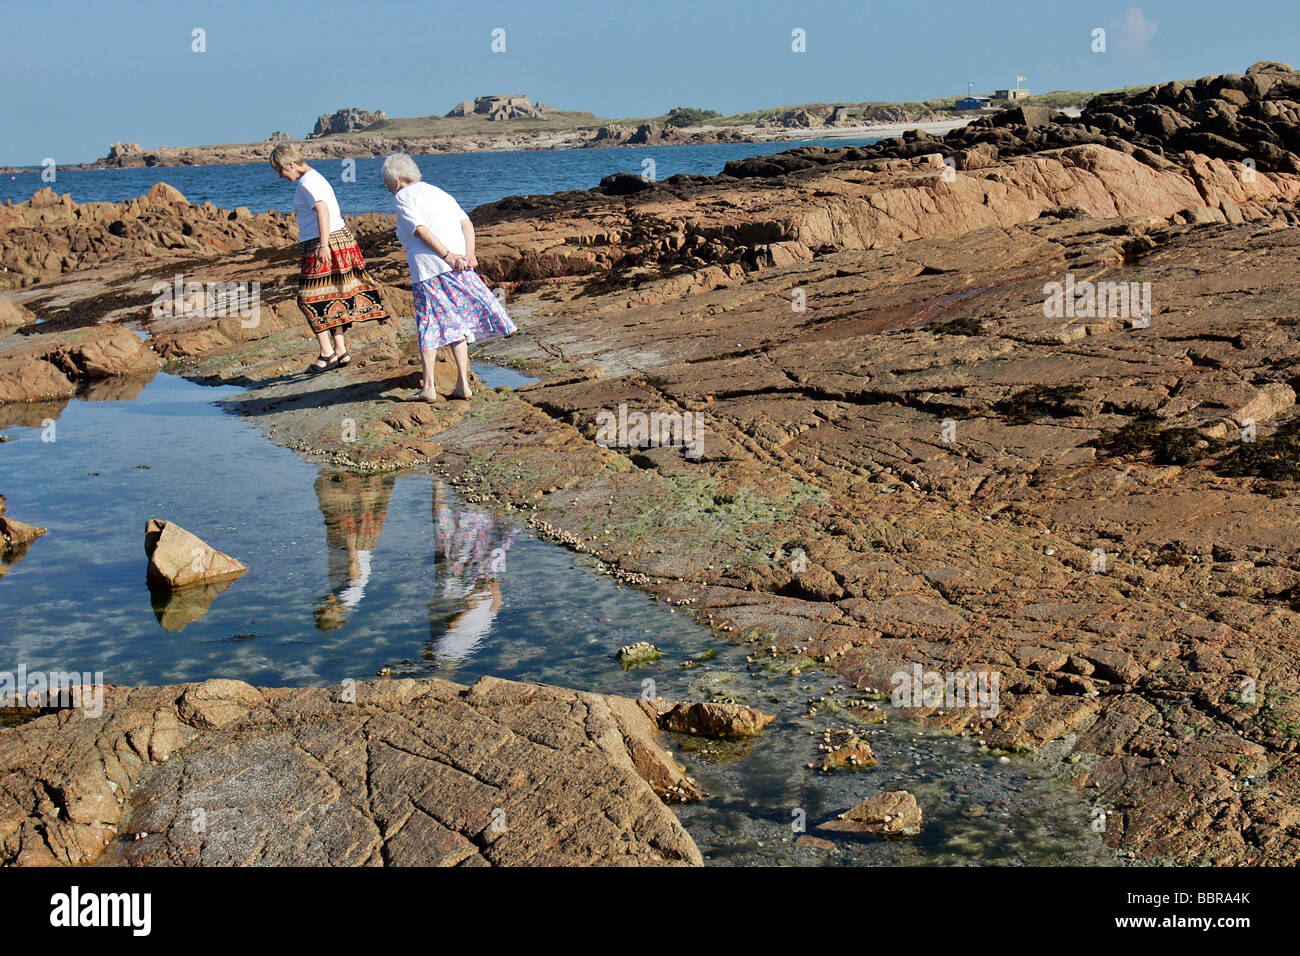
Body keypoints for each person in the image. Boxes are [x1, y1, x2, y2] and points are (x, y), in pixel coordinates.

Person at [381, 153, 516, 402]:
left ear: (396, 179)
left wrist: (448, 255)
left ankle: (429, 386)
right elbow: (466, 223)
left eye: (386, 182)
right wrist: (468, 253)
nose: (387, 188)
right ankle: (463, 384)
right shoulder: (437, 191)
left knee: (430, 323)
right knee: (457, 323)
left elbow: (420, 230)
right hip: (459, 265)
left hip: (430, 267)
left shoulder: (402, 196)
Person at [269, 144, 388, 373]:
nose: (280, 175)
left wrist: (323, 244)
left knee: (308, 299)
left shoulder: (307, 182)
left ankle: (327, 352)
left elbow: (322, 209)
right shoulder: (315, 177)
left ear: (291, 165)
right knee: (333, 294)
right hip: (337, 237)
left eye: (281, 170)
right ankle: (341, 350)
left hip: (323, 241)